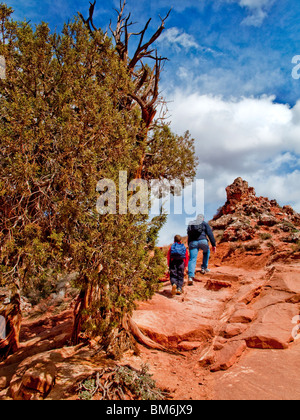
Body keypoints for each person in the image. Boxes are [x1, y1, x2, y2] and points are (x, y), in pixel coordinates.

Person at [187, 214, 216, 285]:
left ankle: (190, 276)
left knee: (192, 259)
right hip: (203, 241)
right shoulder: (204, 224)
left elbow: (189, 234)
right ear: (202, 219)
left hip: (192, 242)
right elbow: (210, 234)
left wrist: (189, 244)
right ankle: (204, 268)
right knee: (206, 251)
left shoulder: (191, 224)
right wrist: (213, 245)